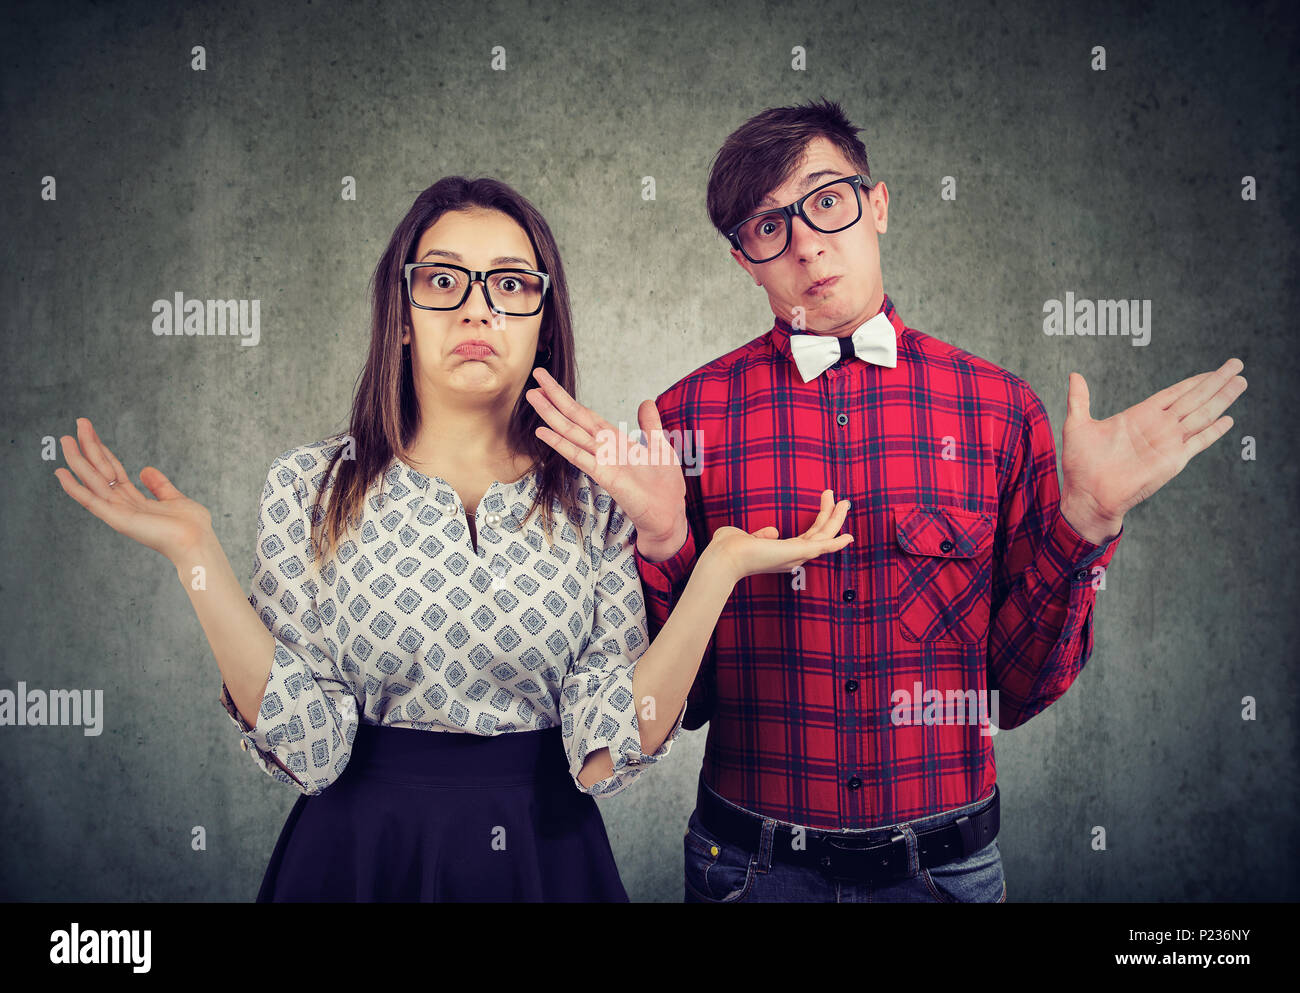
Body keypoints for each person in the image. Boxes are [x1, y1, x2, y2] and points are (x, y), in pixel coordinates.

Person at [53, 175, 853, 902]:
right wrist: (197, 555)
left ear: (543, 321)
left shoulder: (596, 495)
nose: (478, 309)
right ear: (401, 317)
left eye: (510, 284)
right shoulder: (309, 486)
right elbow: (310, 747)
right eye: (443, 281)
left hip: (547, 866)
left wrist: (713, 565)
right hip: (355, 865)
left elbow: (608, 747)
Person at [525, 98, 1247, 902]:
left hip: (945, 874)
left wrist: (1086, 524)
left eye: (826, 201)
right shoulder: (685, 421)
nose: (806, 244)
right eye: (770, 228)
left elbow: (1013, 693)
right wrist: (664, 543)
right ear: (744, 260)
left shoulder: (1000, 411)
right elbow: (681, 707)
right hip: (747, 873)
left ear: (878, 205)